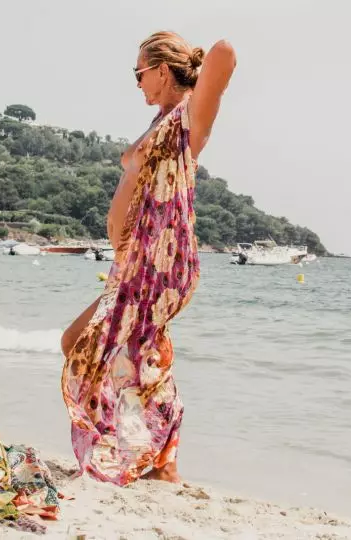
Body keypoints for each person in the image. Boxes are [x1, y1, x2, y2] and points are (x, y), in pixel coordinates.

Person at [60, 31, 236, 486]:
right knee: (117, 352)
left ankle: (159, 459)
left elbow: (224, 56)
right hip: (133, 262)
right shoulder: (159, 120)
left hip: (160, 262)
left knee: (100, 348)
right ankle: (156, 460)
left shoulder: (187, 118)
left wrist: (198, 62)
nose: (136, 83)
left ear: (162, 69)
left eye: (139, 73)